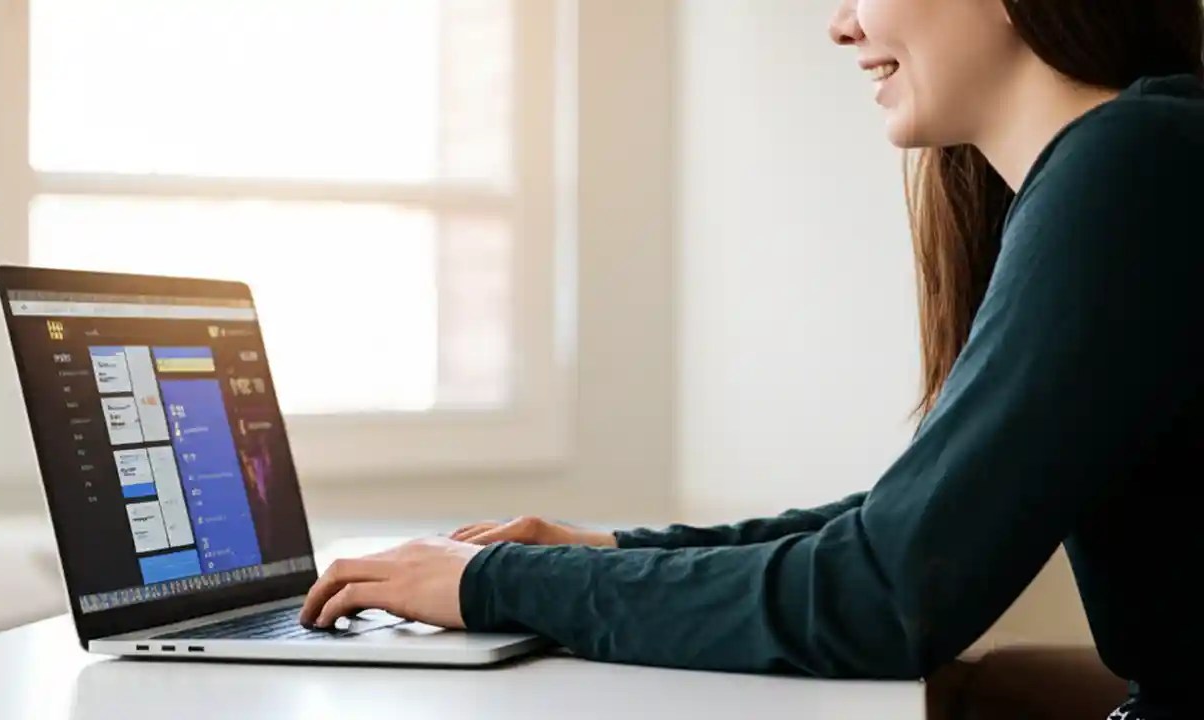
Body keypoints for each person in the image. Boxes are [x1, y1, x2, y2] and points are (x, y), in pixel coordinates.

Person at [300, 1, 1204, 717]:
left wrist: (497, 585)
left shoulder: (1129, 172)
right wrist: (610, 550)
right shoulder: (1133, 158)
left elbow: (883, 597)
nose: (840, 22)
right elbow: (909, 527)